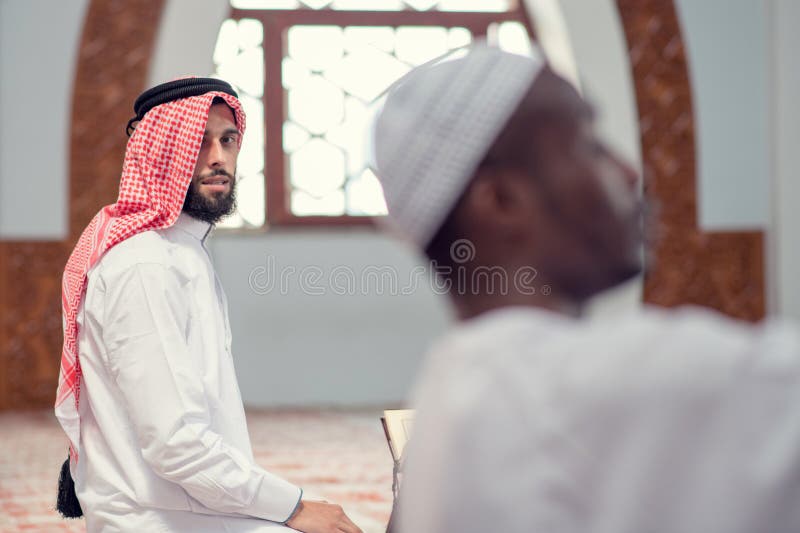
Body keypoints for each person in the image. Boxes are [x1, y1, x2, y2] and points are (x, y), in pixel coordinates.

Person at [371, 44, 800, 533]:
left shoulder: (451, 390)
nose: (628, 172)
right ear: (501, 201)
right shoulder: (607, 384)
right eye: (589, 145)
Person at [55, 78, 362, 533]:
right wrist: (295, 507)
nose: (219, 158)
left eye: (228, 140)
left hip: (195, 509)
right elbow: (175, 443)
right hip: (159, 521)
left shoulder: (181, 250)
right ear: (158, 152)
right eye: (196, 143)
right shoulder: (145, 265)